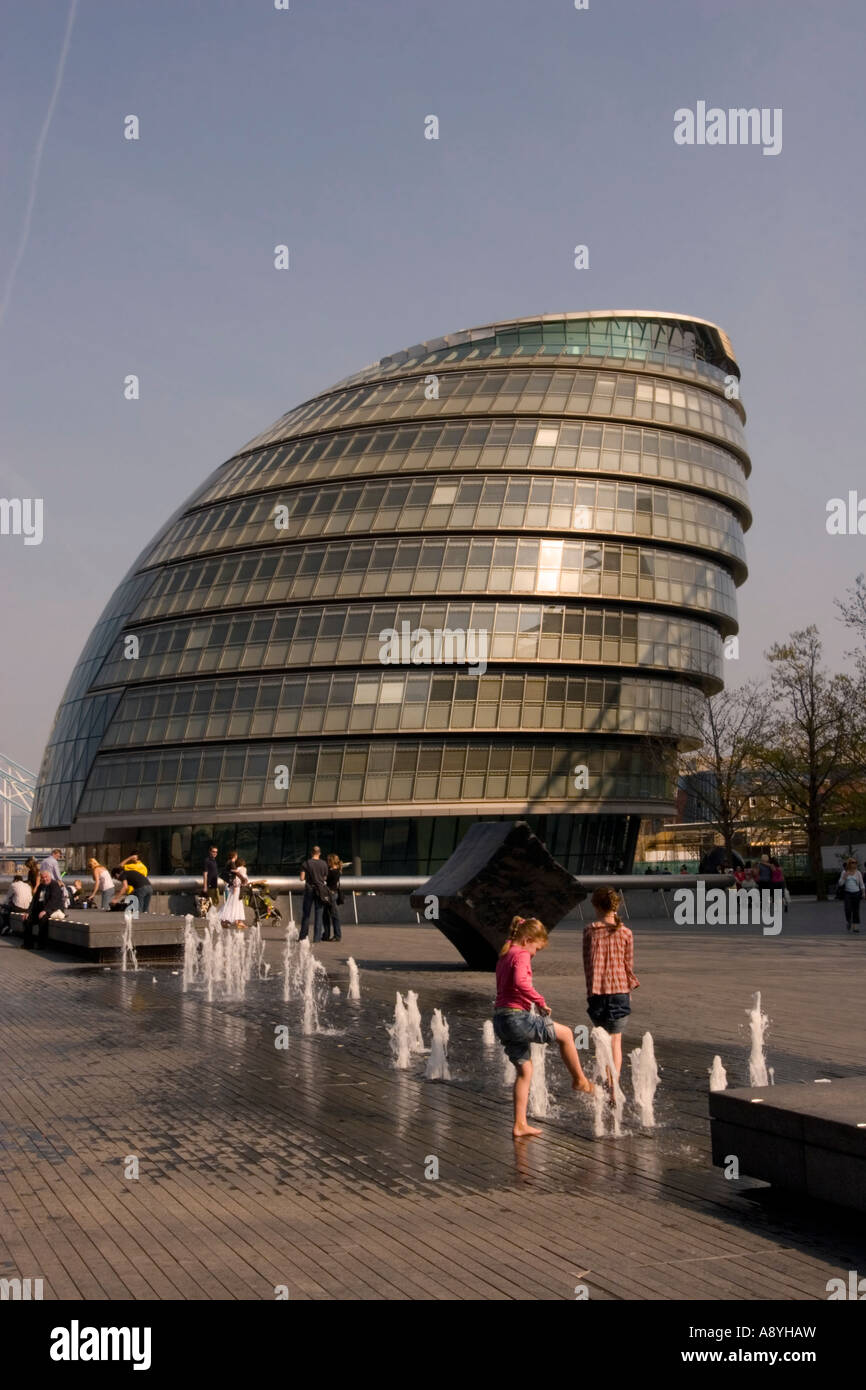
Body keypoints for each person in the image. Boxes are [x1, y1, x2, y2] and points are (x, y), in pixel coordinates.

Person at [493, 915, 593, 1138]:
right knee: (566, 1034)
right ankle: (580, 1081)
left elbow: (508, 987)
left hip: (501, 1019)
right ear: (528, 939)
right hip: (515, 1018)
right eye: (536, 948)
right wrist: (539, 1000)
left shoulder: (505, 955)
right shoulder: (520, 954)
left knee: (525, 1071)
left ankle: (520, 1124)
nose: (535, 953)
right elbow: (520, 982)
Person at [583, 887, 640, 1086]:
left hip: (597, 992)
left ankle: (604, 1078)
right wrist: (628, 989)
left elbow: (587, 965)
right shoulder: (626, 932)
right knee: (616, 1042)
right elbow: (628, 965)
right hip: (620, 993)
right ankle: (613, 1086)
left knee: (602, 1040)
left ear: (597, 906)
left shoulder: (590, 930)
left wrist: (590, 991)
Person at [23, 868, 65, 949]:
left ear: (50, 876)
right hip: (40, 910)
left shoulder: (54, 885)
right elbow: (34, 900)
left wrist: (45, 910)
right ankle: (28, 944)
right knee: (26, 919)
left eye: (46, 877)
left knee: (43, 919)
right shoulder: (41, 886)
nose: (44, 879)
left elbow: (54, 900)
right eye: (42, 877)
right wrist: (28, 912)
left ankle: (42, 944)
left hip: (53, 909)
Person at [299, 846, 328, 943]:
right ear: (319, 853)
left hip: (309, 890)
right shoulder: (324, 863)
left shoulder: (306, 863)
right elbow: (324, 878)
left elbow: (302, 878)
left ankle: (303, 937)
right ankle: (317, 938)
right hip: (320, 890)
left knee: (306, 914)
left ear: (312, 853)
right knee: (318, 914)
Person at [837, 858, 864, 933]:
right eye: (852, 862)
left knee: (856, 910)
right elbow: (840, 883)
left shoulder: (858, 873)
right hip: (847, 893)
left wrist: (864, 893)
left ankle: (855, 927)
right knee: (847, 909)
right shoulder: (844, 872)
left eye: (855, 862)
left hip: (857, 893)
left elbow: (861, 884)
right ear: (849, 864)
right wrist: (844, 877)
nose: (854, 864)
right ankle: (849, 921)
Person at [321, 854, 343, 942]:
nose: (327, 862)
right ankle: (326, 935)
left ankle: (337, 936)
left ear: (331, 861)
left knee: (334, 916)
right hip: (331, 894)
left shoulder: (333, 872)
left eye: (328, 861)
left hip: (332, 895)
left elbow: (324, 878)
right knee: (326, 915)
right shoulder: (336, 870)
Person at [221, 857, 249, 928]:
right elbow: (237, 878)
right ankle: (234, 921)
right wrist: (237, 886)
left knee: (232, 904)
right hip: (237, 889)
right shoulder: (242, 869)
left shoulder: (236, 869)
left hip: (235, 889)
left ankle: (230, 921)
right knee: (234, 905)